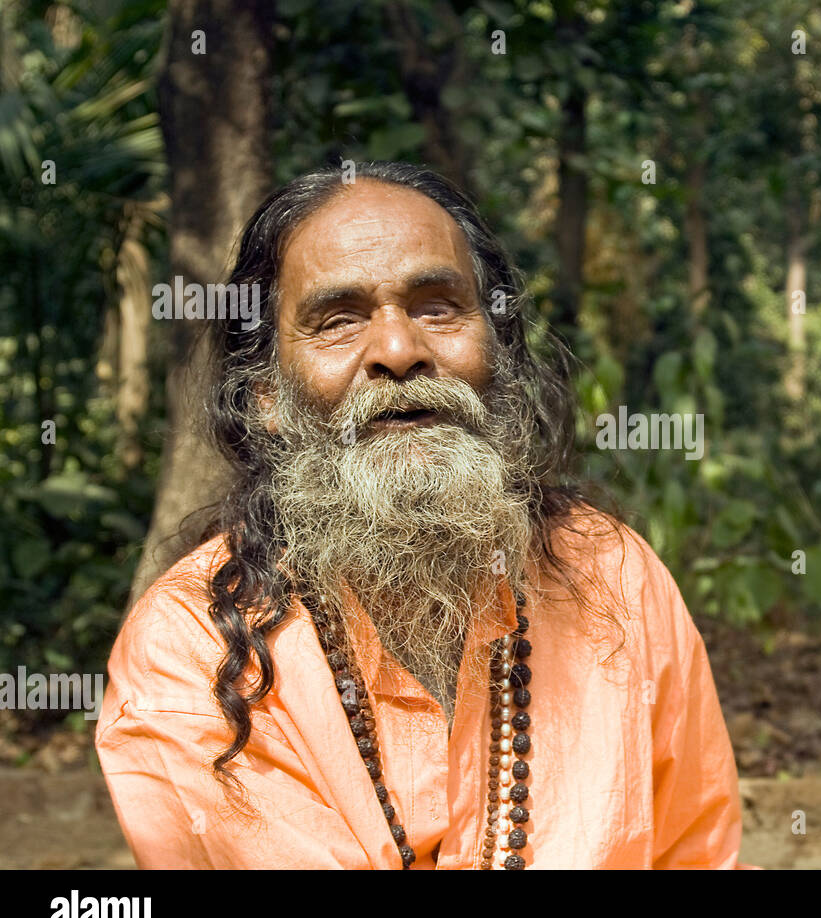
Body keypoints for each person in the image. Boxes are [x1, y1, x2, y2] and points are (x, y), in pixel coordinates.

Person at [94, 162, 742, 869]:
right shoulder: (190, 650)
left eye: (437, 307)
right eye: (338, 321)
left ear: (496, 349)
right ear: (264, 396)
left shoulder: (612, 577)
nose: (400, 352)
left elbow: (699, 854)